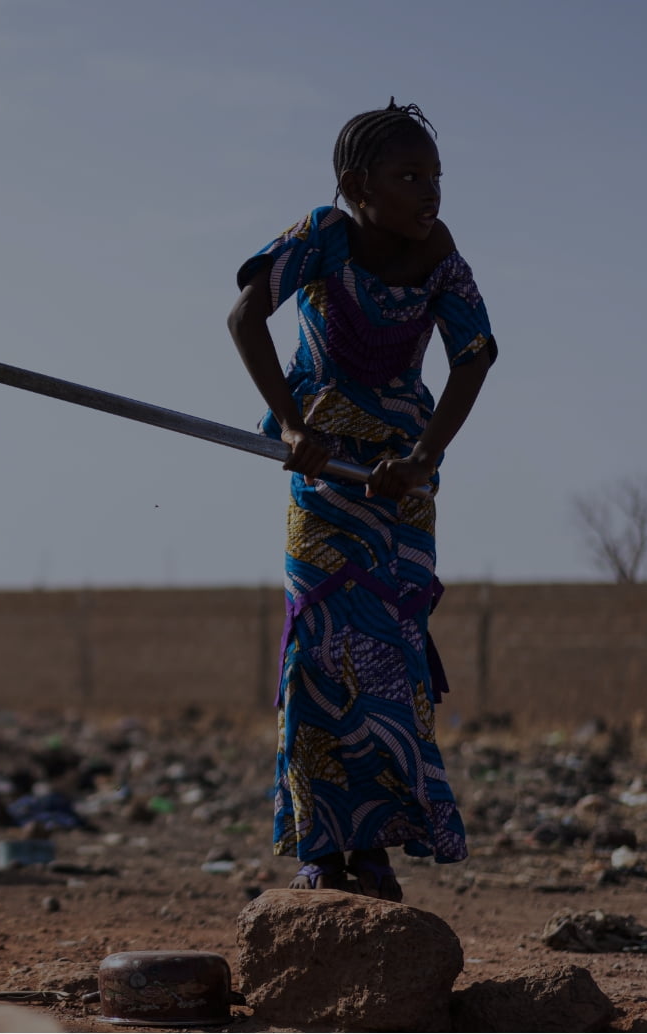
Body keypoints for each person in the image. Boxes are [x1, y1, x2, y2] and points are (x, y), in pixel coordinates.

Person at [226, 100, 496, 901]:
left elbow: (476, 356)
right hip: (323, 473)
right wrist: (288, 422)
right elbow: (245, 315)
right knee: (321, 650)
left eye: (435, 176)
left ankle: (374, 845)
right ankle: (324, 842)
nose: (429, 192)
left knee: (389, 653)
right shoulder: (321, 238)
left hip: (403, 490)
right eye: (408, 176)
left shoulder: (442, 257)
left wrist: (422, 458)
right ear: (356, 186)